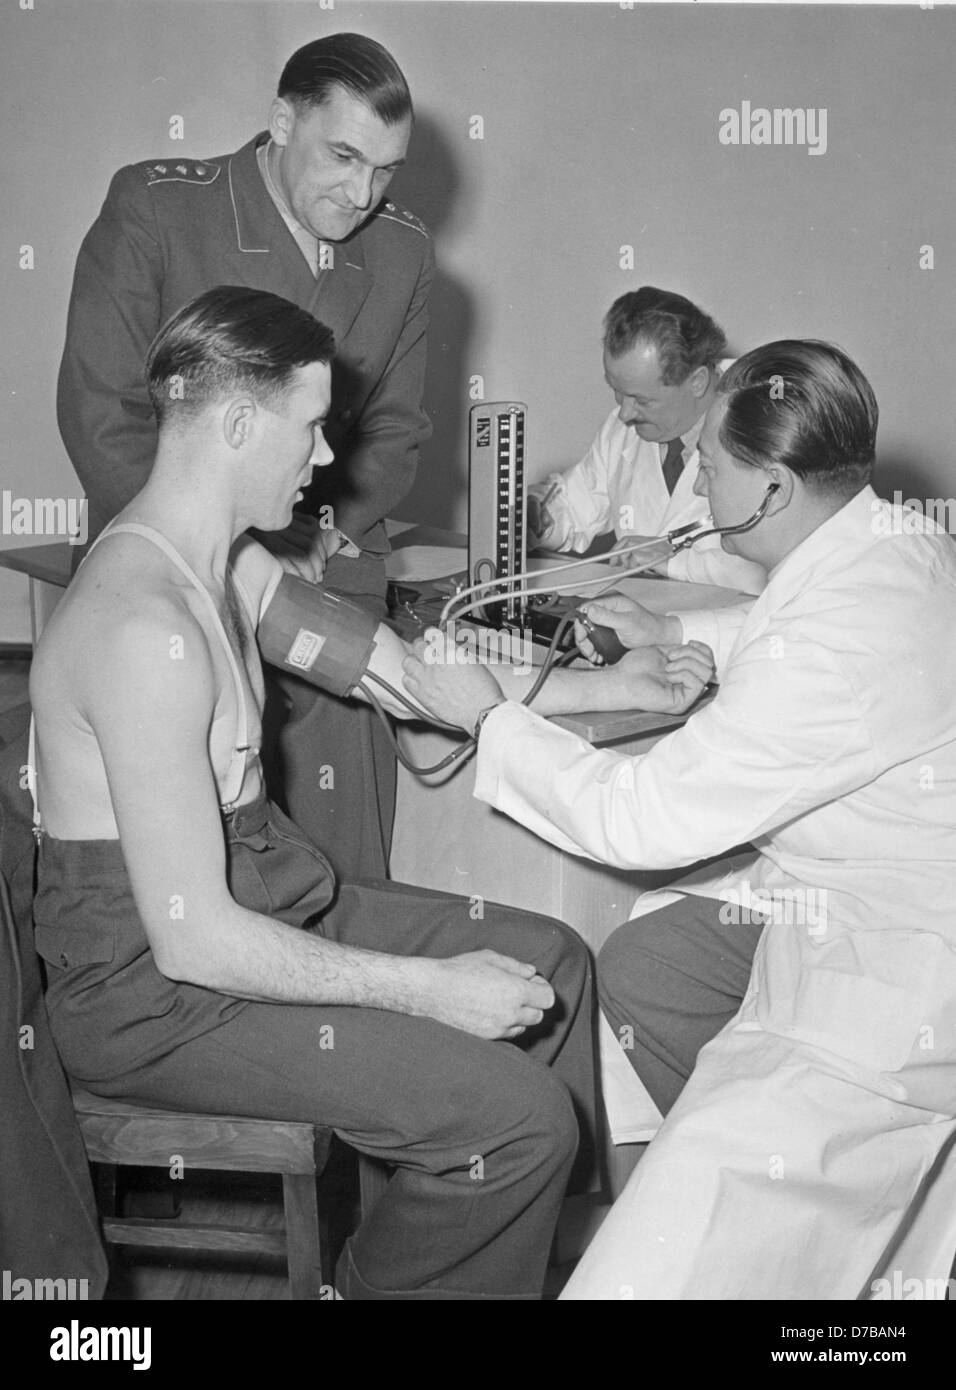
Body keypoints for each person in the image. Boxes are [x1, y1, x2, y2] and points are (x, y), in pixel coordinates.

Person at [31, 286, 600, 1302]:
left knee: (547, 959)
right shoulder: (137, 629)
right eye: (311, 426)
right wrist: (430, 989)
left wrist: (616, 685)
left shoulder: (229, 566)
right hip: (156, 994)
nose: (326, 457)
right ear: (241, 423)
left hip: (248, 890)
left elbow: (400, 673)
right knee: (521, 1119)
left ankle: (462, 1257)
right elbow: (192, 940)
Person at [403, 339, 956, 1299]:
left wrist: (490, 718)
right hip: (857, 902)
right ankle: (665, 1171)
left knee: (669, 1263)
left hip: (891, 988)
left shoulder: (833, 642)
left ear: (774, 488)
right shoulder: (892, 539)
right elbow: (797, 626)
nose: (696, 481)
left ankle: (708, 1195)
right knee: (648, 965)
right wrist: (676, 631)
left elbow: (642, 820)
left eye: (711, 464)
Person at [56, 32, 432, 878]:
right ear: (280, 121)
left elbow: (396, 430)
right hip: (173, 573)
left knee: (343, 879)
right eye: (341, 155)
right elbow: (100, 411)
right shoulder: (158, 208)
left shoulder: (402, 250)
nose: (361, 192)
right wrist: (244, 552)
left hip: (328, 570)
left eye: (385, 170)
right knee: (168, 882)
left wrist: (325, 530)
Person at [526, 286, 765, 594]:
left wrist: (673, 560)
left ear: (697, 382)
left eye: (641, 399)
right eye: (617, 391)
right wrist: (535, 516)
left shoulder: (765, 423)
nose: (624, 413)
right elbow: (575, 504)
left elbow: (772, 566)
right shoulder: (623, 428)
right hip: (647, 620)